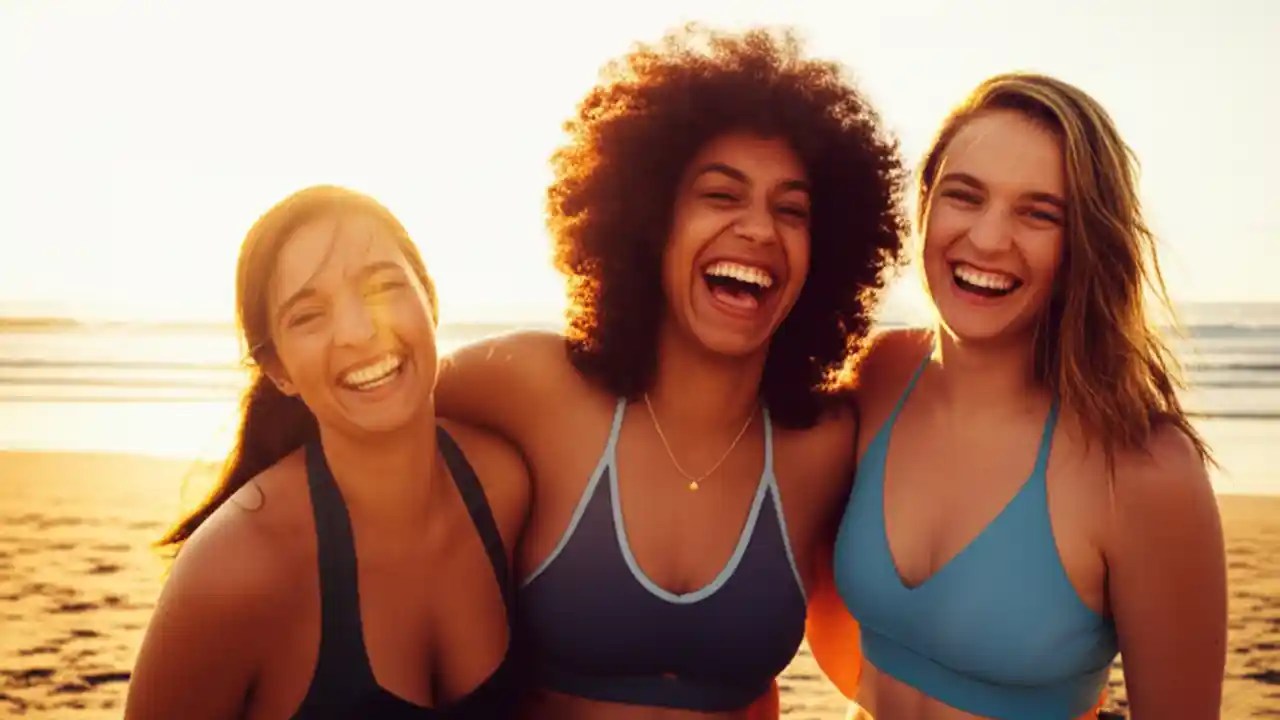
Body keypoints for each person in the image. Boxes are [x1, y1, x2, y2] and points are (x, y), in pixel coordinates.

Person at [434, 24, 907, 720]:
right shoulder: (534, 387)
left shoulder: (824, 444)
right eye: (721, 195)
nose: (758, 229)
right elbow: (370, 407)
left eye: (791, 209)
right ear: (650, 217)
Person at [813, 73, 1228, 719]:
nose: (987, 239)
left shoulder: (1144, 470)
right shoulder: (882, 376)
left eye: (1038, 213)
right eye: (964, 196)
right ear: (926, 205)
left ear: (1084, 242)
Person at [125, 185, 529, 719]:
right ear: (278, 370)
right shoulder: (234, 571)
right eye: (308, 316)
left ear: (428, 299)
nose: (361, 332)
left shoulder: (506, 488)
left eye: (383, 287)